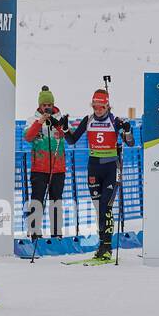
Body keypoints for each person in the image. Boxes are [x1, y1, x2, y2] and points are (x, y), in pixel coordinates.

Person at [65, 88, 135, 263]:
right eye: (95, 107)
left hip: (111, 168)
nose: (98, 110)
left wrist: (126, 130)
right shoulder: (88, 120)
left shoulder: (114, 121)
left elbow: (130, 142)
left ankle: (107, 247)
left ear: (107, 106)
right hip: (93, 167)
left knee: (106, 207)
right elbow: (72, 140)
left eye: (101, 107)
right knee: (98, 209)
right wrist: (65, 128)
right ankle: (101, 246)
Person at [23, 87, 68, 241]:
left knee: (56, 201)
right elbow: (28, 137)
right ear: (40, 106)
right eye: (44, 105)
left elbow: (68, 136)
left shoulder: (60, 119)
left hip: (58, 169)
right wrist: (39, 122)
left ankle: (57, 234)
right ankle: (35, 234)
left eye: (49, 104)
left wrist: (59, 125)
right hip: (39, 169)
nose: (47, 107)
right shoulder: (32, 119)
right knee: (37, 200)